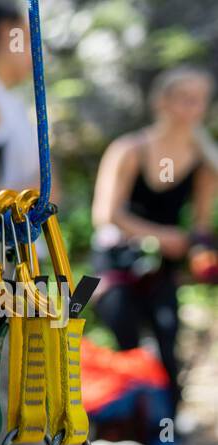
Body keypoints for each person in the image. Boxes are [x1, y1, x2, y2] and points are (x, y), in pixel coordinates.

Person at [91, 66, 218, 414]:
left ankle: (167, 433)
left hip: (162, 268)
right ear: (162, 102)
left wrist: (201, 254)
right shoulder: (129, 150)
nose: (193, 108)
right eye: (185, 99)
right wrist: (162, 236)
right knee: (126, 341)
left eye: (200, 101)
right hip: (117, 262)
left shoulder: (204, 162)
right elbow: (104, 213)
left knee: (167, 338)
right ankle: (124, 424)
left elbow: (200, 226)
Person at [0, 0, 58, 198]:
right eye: (27, 39)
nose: (38, 54)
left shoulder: (11, 99)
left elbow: (52, 183)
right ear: (6, 34)